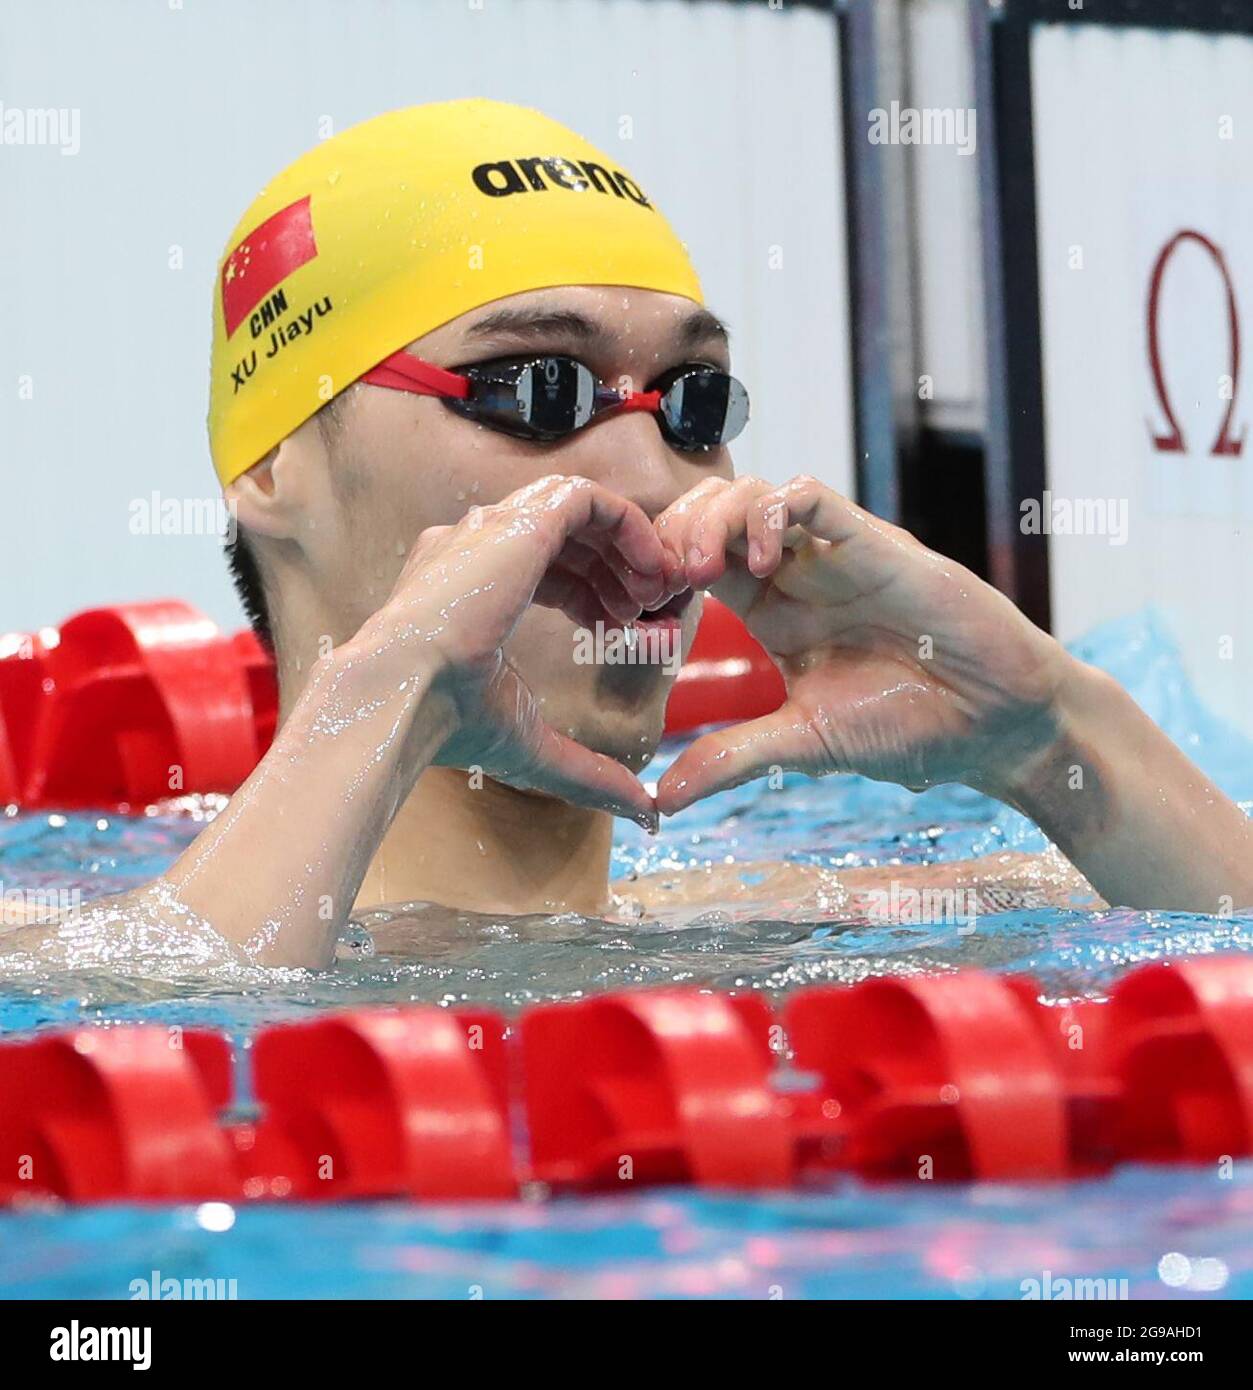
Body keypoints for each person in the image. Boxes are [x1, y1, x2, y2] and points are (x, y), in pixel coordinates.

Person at [6, 99, 1252, 972]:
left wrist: (1050, 735)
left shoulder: (829, 921)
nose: (652, 476)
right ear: (274, 464)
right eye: (535, 391)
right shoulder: (52, 949)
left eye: (694, 403)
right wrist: (382, 699)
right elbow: (142, 1054)